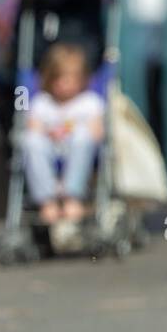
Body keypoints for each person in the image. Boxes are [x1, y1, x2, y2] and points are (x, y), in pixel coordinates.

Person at [23, 43, 104, 247]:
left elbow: (96, 132)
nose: (66, 84)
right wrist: (50, 133)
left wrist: (73, 129)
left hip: (79, 154)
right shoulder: (42, 103)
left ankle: (72, 196)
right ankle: (47, 199)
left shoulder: (89, 102)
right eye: (61, 79)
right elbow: (34, 128)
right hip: (51, 153)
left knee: (82, 135)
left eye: (72, 79)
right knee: (30, 140)